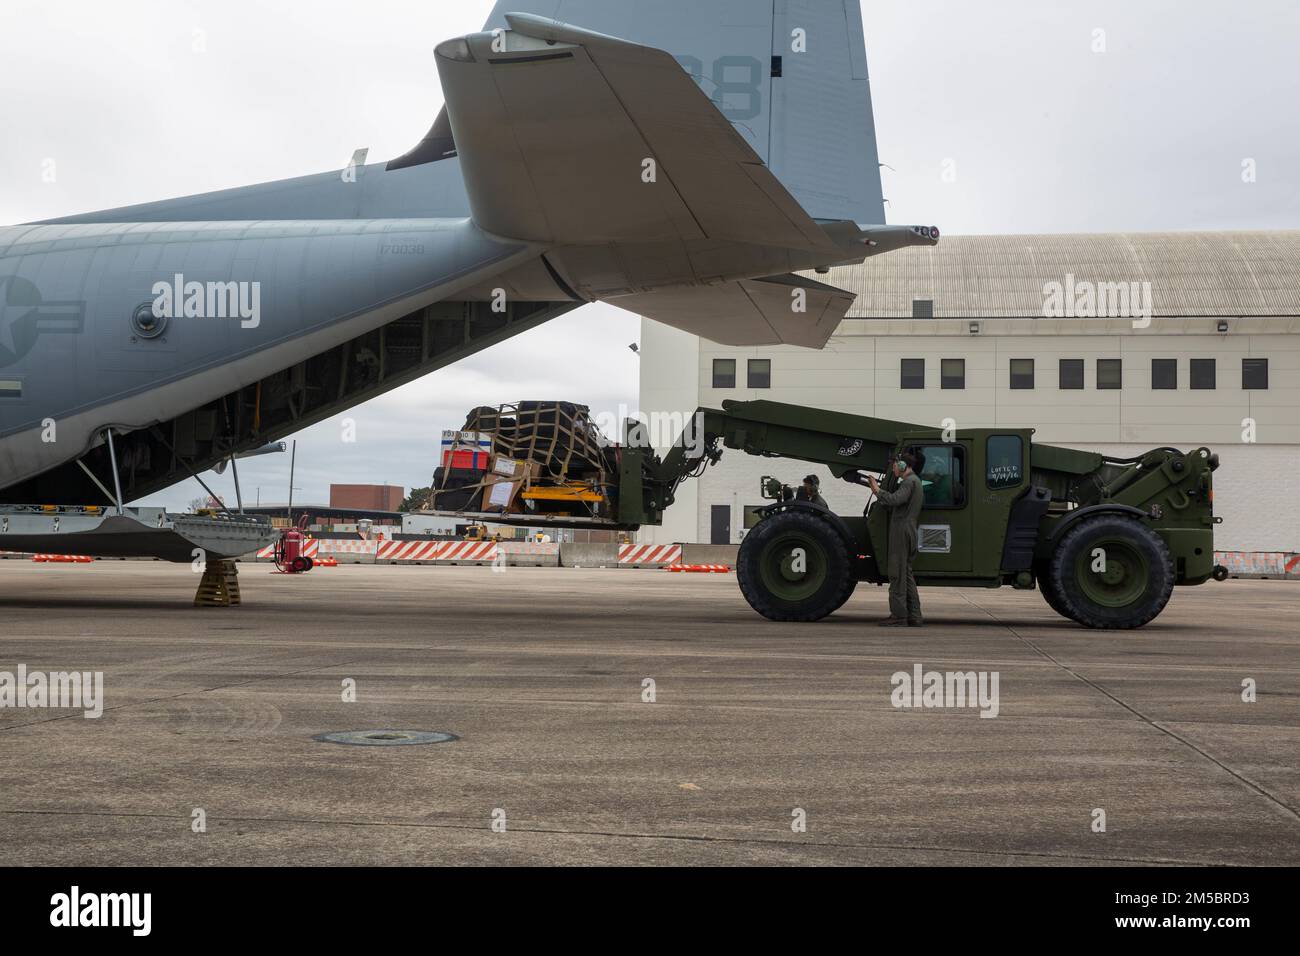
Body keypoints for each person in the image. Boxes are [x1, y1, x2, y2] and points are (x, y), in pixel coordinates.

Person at [866, 450, 925, 627]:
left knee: (897, 574)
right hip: (908, 529)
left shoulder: (908, 482)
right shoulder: (915, 482)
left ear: (902, 466)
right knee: (906, 574)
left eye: (895, 465)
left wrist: (876, 490)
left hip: (901, 530)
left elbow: (894, 500)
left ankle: (899, 615)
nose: (893, 468)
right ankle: (914, 615)